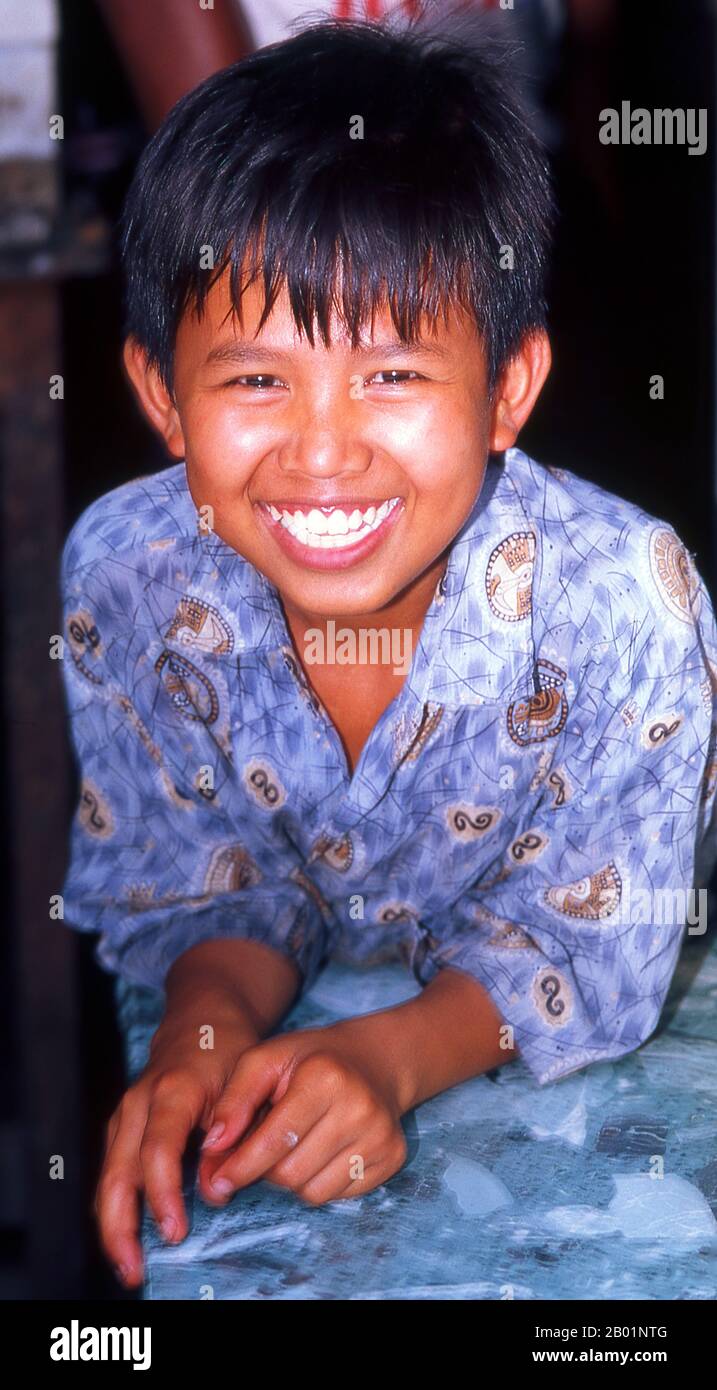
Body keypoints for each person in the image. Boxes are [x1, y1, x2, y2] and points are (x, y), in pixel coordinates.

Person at [58, 7, 717, 1292]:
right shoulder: (130, 575)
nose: (322, 451)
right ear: (159, 395)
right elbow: (211, 882)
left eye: (394, 377)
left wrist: (391, 1058)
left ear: (509, 390)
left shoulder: (626, 606)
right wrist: (202, 1035)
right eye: (255, 381)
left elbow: (594, 948)